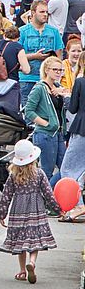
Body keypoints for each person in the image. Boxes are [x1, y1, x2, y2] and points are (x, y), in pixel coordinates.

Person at [0, 139, 59, 284]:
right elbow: (48, 193)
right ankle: (32, 262)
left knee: (21, 241)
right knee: (33, 240)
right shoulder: (39, 174)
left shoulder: (13, 176)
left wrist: (2, 213)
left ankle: (22, 270)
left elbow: (6, 195)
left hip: (18, 211)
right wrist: (58, 209)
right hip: (35, 210)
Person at [25, 56, 69, 185]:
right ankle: (45, 197)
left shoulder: (58, 87)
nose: (58, 72)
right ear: (46, 70)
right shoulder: (39, 88)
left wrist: (63, 94)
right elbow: (29, 111)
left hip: (59, 133)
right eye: (55, 69)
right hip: (45, 133)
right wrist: (45, 123)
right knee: (47, 170)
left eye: (61, 70)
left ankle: (50, 194)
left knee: (66, 168)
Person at [18, 1, 64, 106]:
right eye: (42, 12)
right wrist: (34, 56)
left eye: (46, 12)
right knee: (27, 112)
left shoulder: (54, 31)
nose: (45, 15)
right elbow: (16, 56)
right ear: (33, 13)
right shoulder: (22, 31)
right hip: (27, 79)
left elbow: (59, 55)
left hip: (47, 80)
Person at [0, 25, 31, 112]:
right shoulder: (17, 47)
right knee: (10, 116)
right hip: (11, 85)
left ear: (4, 35)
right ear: (18, 37)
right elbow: (26, 70)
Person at [59, 71, 85, 222]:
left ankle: (78, 206)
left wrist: (67, 97)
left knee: (68, 169)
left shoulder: (81, 81)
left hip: (82, 129)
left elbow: (73, 108)